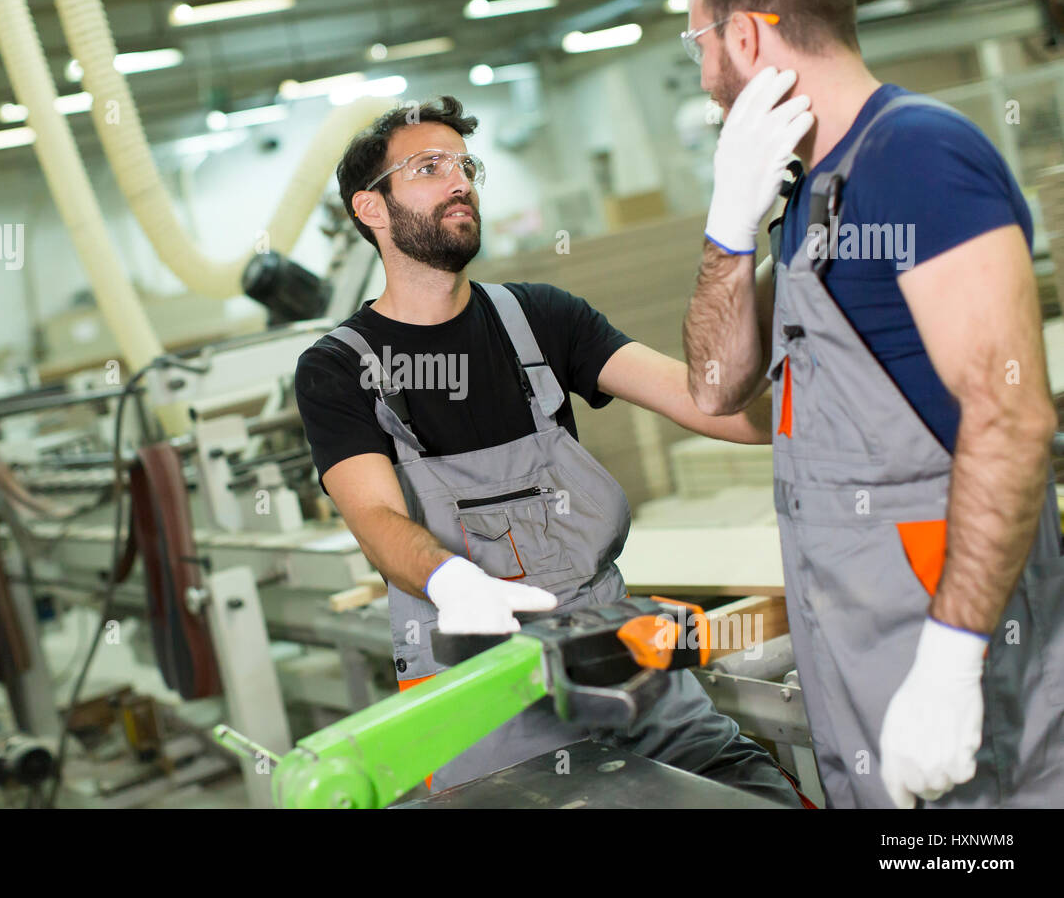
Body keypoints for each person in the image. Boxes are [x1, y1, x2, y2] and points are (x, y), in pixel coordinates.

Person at [294, 95, 806, 805]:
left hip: (628, 674)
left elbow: (703, 399)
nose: (460, 181)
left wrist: (817, 411)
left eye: (465, 165)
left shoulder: (539, 318)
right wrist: (454, 583)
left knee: (762, 796)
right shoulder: (338, 367)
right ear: (371, 210)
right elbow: (376, 520)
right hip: (482, 703)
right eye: (428, 167)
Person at [680, 0, 1064, 807]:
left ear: (745, 37)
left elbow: (1011, 419)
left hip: (962, 674)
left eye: (699, 42)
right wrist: (727, 230)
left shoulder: (916, 157)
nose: (702, 75)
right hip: (866, 670)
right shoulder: (810, 194)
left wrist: (951, 658)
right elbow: (715, 382)